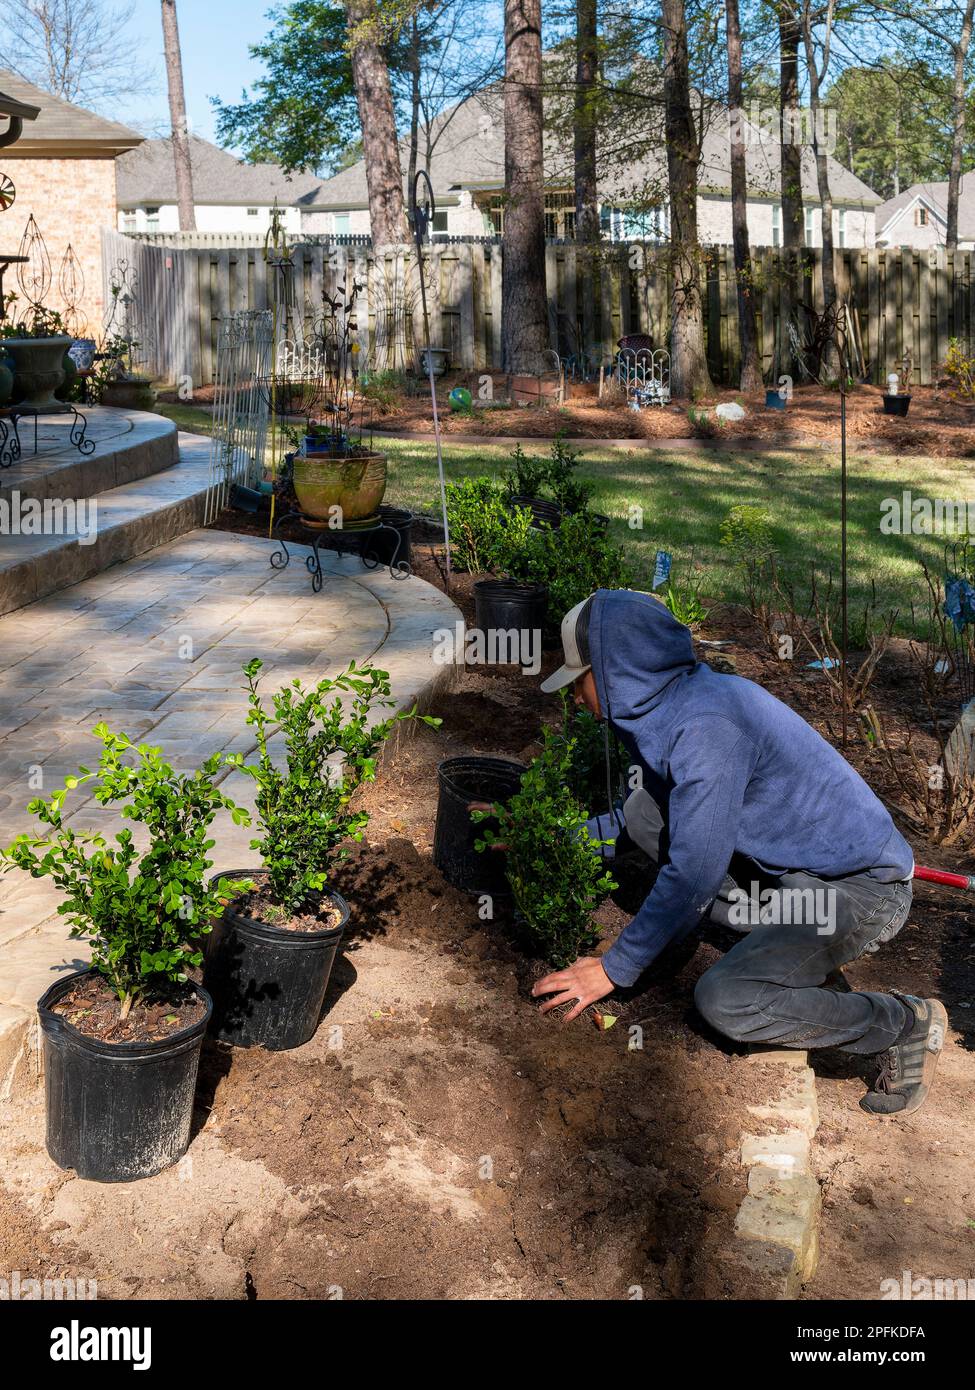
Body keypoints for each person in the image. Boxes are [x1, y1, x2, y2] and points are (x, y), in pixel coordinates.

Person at [532, 589, 948, 1117]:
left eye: (578, 681)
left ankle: (900, 1023)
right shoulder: (681, 703)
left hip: (861, 890)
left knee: (726, 998)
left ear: (614, 673)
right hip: (798, 875)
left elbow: (693, 876)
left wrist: (614, 968)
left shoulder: (708, 729)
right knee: (643, 813)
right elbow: (649, 816)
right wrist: (552, 840)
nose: (575, 698)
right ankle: (782, 953)